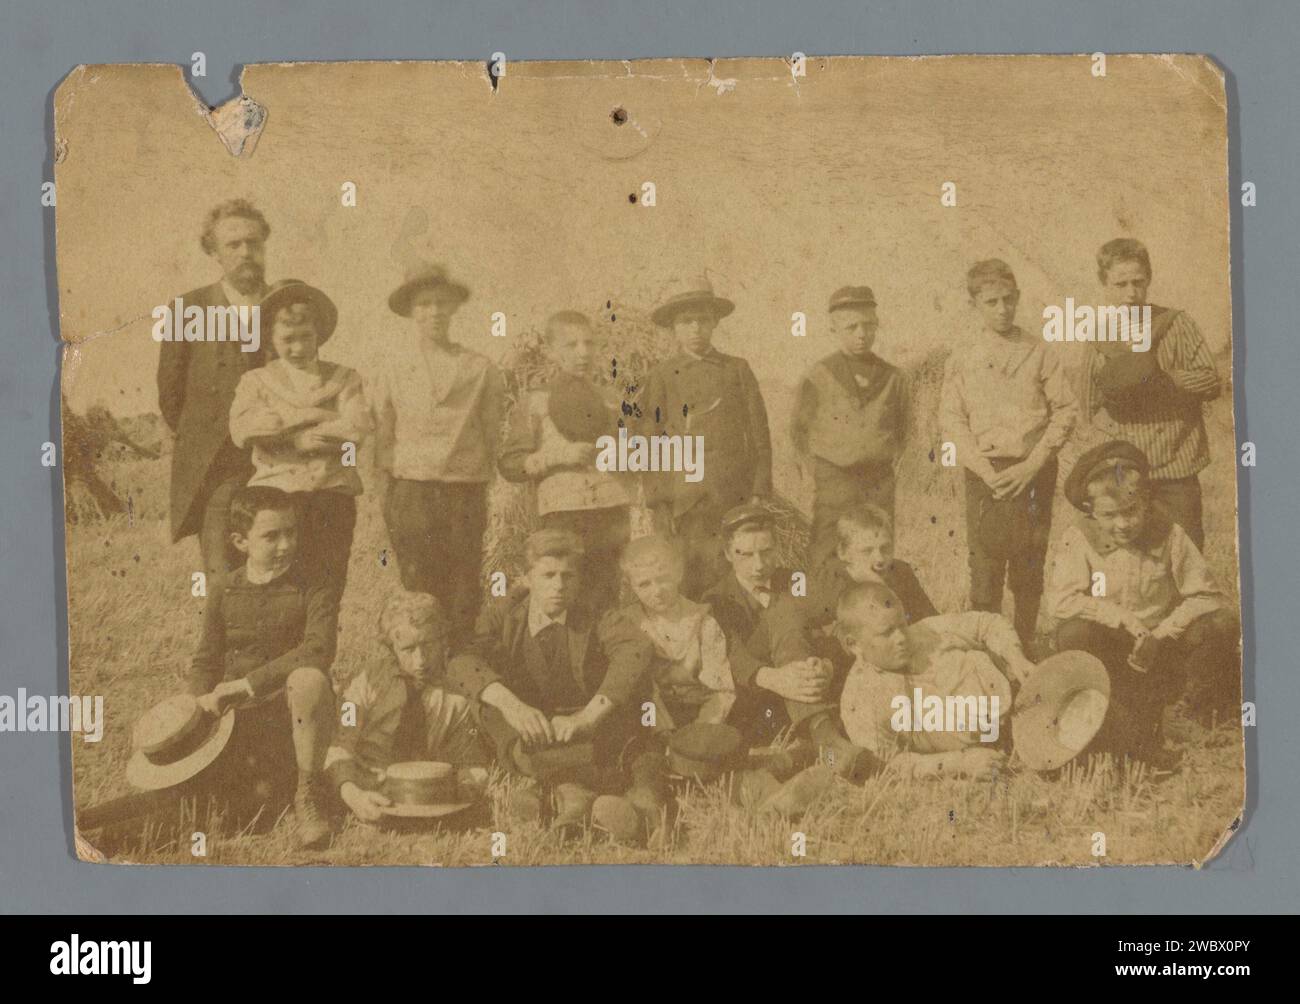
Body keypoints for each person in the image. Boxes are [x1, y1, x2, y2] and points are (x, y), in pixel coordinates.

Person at [1047, 440, 1238, 766]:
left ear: (1147, 502)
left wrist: (1162, 633)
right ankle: (1111, 708)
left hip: (1163, 647)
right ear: (1091, 511)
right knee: (1072, 633)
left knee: (1224, 623)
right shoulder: (1078, 538)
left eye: (1131, 511)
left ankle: (1184, 709)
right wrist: (1119, 617)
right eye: (1110, 515)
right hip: (1115, 647)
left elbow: (1207, 595)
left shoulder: (1170, 534)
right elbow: (1061, 602)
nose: (1122, 524)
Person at [447, 529, 654, 804]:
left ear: (579, 580)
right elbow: (461, 658)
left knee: (620, 723)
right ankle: (575, 786)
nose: (559, 586)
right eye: (548, 576)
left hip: (580, 723)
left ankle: (558, 789)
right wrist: (513, 707)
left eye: (567, 576)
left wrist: (587, 717)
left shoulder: (595, 613)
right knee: (489, 710)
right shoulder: (505, 613)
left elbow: (636, 647)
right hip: (526, 726)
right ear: (528, 578)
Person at [186, 485, 339, 849]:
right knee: (192, 807)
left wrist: (245, 684)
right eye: (272, 536)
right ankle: (87, 827)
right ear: (241, 542)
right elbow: (206, 660)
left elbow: (319, 649)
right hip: (234, 723)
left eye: (292, 532)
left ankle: (308, 795)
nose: (286, 545)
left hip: (293, 722)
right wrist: (196, 704)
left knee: (308, 680)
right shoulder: (224, 588)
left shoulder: (315, 584)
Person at [940, 258, 1077, 649]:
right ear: (974, 305)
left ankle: (1024, 647)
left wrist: (1033, 464)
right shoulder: (963, 357)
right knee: (984, 567)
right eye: (991, 302)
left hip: (1033, 471)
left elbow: (1065, 410)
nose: (1001, 309)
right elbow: (951, 419)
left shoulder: (1039, 352)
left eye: (1007, 300)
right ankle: (986, 652)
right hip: (986, 474)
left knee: (1029, 566)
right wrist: (985, 470)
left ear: (1017, 298)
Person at [371, 262, 505, 641]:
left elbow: (491, 431)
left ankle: (461, 664)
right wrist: (387, 491)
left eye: (442, 303)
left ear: (454, 309)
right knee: (417, 583)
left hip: (464, 490)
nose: (434, 312)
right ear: (413, 311)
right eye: (425, 304)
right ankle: (420, 667)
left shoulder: (480, 367)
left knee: (464, 583)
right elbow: (383, 433)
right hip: (411, 490)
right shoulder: (394, 368)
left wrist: (480, 477)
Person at [1076, 238, 1222, 549]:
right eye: (1120, 284)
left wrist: (1165, 380)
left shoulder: (1176, 325)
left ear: (1149, 278)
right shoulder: (1099, 336)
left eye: (1138, 282)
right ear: (1104, 284)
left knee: (1186, 561)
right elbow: (1086, 407)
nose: (1131, 293)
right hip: (1124, 477)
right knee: (1128, 570)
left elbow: (1211, 380)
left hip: (1175, 469)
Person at [229, 280, 370, 596]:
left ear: (319, 333)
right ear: (270, 338)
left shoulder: (344, 378)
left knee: (326, 586)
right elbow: (245, 430)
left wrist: (291, 425)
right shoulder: (256, 381)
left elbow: (356, 430)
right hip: (277, 498)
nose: (299, 348)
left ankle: (319, 645)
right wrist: (304, 431)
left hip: (332, 496)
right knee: (281, 586)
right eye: (288, 339)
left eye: (307, 337)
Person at [637, 276, 773, 598]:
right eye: (686, 321)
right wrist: (658, 503)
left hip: (732, 495)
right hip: (686, 501)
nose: (695, 328)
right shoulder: (662, 376)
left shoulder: (736, 369)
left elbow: (759, 435)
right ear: (674, 328)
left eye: (702, 320)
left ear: (714, 323)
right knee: (690, 578)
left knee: (735, 578)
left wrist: (758, 490)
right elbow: (651, 442)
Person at [157, 199, 271, 577]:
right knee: (222, 573)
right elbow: (171, 395)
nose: (245, 253)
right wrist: (206, 435)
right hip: (215, 465)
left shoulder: (285, 305)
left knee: (278, 568)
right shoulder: (188, 308)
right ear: (214, 252)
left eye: (253, 243)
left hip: (277, 459)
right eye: (233, 245)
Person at [498, 310, 632, 612]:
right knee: (567, 597)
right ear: (550, 350)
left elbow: (630, 454)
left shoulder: (611, 399)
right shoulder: (535, 401)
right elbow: (509, 463)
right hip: (563, 515)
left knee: (607, 596)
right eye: (571, 345)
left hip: (610, 511)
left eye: (589, 343)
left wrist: (619, 454)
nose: (583, 353)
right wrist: (557, 457)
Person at [834, 582, 1031, 780]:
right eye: (887, 633)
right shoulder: (860, 701)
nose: (901, 637)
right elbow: (888, 764)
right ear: (854, 644)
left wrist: (1016, 658)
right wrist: (961, 763)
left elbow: (987, 623)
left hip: (1020, 692)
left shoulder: (929, 630)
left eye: (902, 625)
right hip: (990, 743)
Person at [325, 592, 490, 823]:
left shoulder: (455, 697)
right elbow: (340, 745)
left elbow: (469, 760)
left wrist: (467, 785)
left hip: (422, 794)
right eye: (408, 649)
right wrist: (353, 795)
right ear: (391, 647)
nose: (420, 660)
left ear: (443, 640)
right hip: (366, 783)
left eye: (428, 645)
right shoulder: (363, 684)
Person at [790, 286, 907, 571]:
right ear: (833, 328)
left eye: (868, 325)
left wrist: (890, 462)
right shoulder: (818, 375)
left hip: (878, 479)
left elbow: (903, 429)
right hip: (835, 479)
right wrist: (820, 471)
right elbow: (798, 431)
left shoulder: (894, 377)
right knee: (828, 547)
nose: (861, 333)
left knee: (877, 549)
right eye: (851, 326)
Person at [613, 535, 736, 730]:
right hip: (647, 719)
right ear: (631, 586)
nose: (657, 591)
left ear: (678, 573)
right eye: (644, 584)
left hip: (700, 717)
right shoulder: (627, 623)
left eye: (663, 579)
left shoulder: (703, 621)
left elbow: (721, 690)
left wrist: (698, 735)